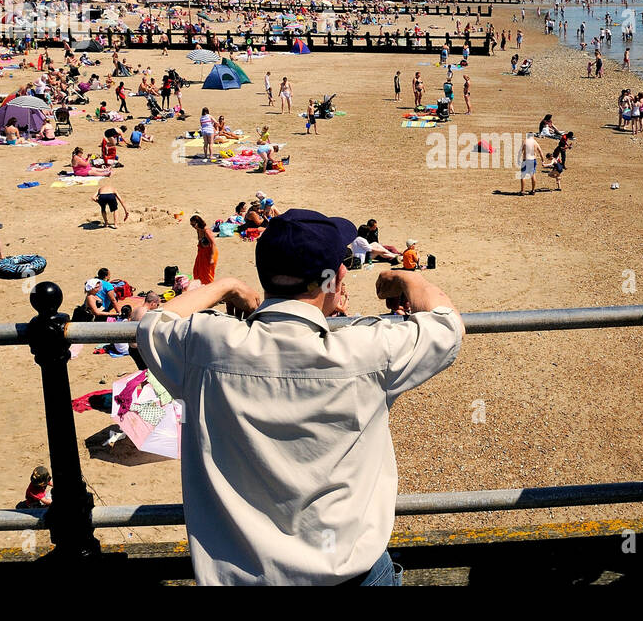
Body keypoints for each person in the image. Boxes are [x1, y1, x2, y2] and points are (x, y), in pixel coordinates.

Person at [132, 208, 463, 584]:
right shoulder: (368, 349)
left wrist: (226, 285)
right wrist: (400, 276)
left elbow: (155, 322)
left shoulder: (207, 345)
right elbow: (447, 324)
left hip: (242, 575)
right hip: (351, 571)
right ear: (336, 278)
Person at [191, 215, 218, 284]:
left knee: (207, 274)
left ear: (198, 222)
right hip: (202, 253)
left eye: (194, 224)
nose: (193, 227)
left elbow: (213, 244)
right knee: (197, 271)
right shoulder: (198, 230)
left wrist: (211, 258)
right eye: (192, 225)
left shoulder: (206, 231)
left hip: (210, 253)